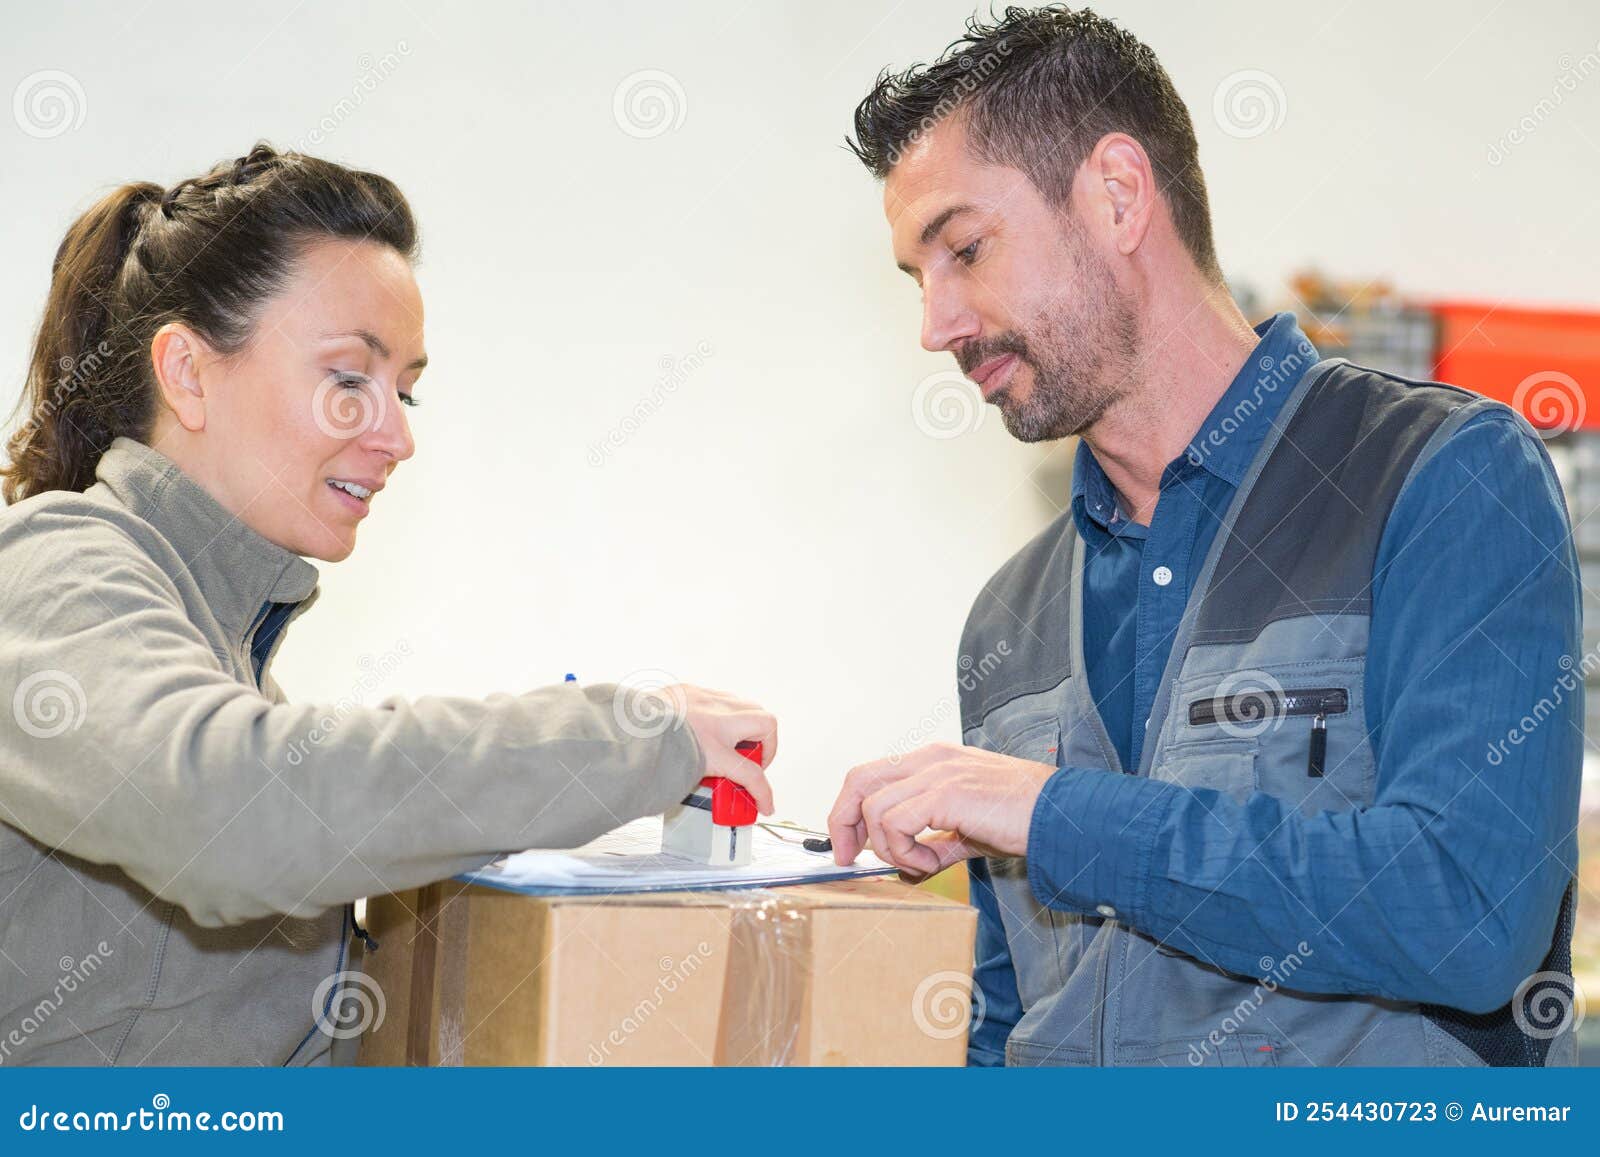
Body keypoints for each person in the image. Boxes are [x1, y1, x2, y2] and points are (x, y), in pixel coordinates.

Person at [827, 7, 1581, 1067]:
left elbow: (1464, 913)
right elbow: (1003, 1025)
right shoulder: (1008, 617)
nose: (936, 325)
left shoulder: (1441, 480)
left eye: (964, 250)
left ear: (1118, 196)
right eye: (919, 279)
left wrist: (1056, 815)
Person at [0, 143, 777, 1066]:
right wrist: (633, 735)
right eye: (348, 380)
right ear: (189, 373)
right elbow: (238, 812)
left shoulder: (229, 662)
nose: (398, 435)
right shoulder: (51, 566)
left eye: (405, 390)